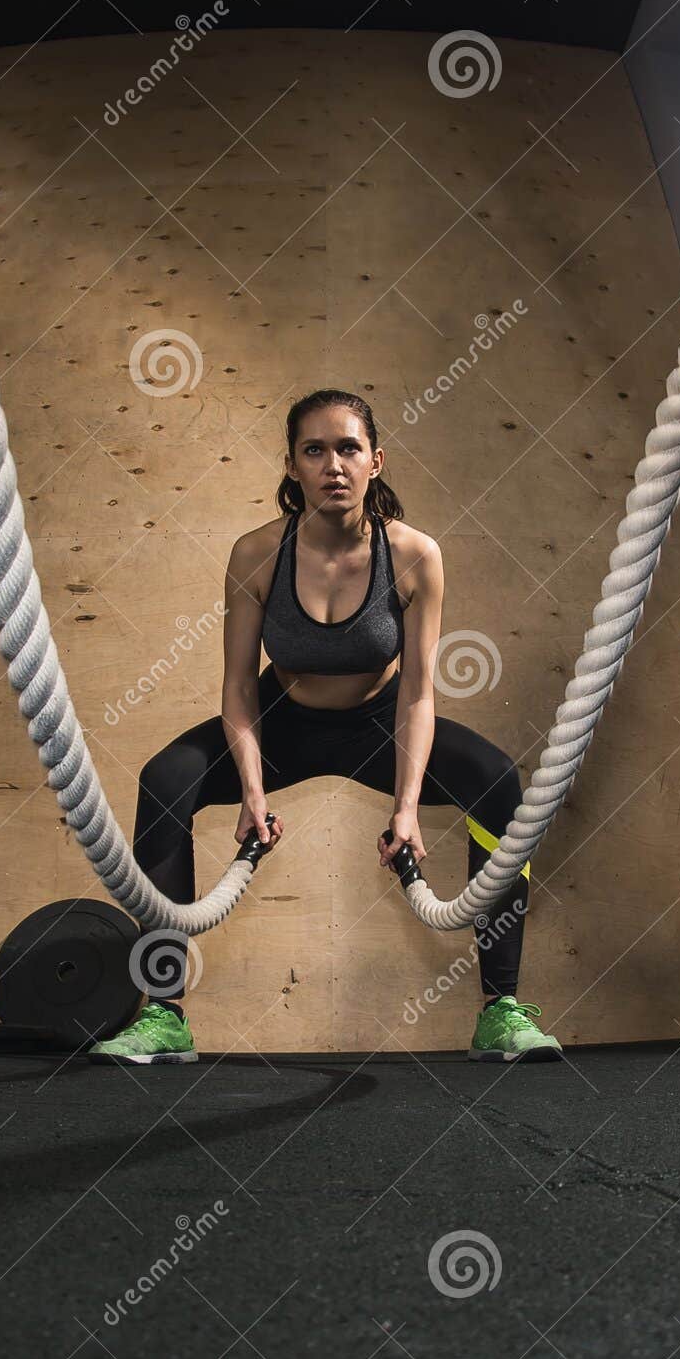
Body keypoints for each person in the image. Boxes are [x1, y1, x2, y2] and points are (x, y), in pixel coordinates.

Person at [89, 389, 562, 1066]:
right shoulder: (255, 553)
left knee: (494, 782)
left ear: (376, 461)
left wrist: (405, 810)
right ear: (291, 466)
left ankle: (500, 1011)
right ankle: (164, 1015)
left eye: (347, 448)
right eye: (314, 450)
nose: (332, 464)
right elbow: (235, 687)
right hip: (281, 723)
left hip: (380, 723)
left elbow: (418, 693)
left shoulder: (413, 555)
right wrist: (252, 792)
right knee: (166, 780)